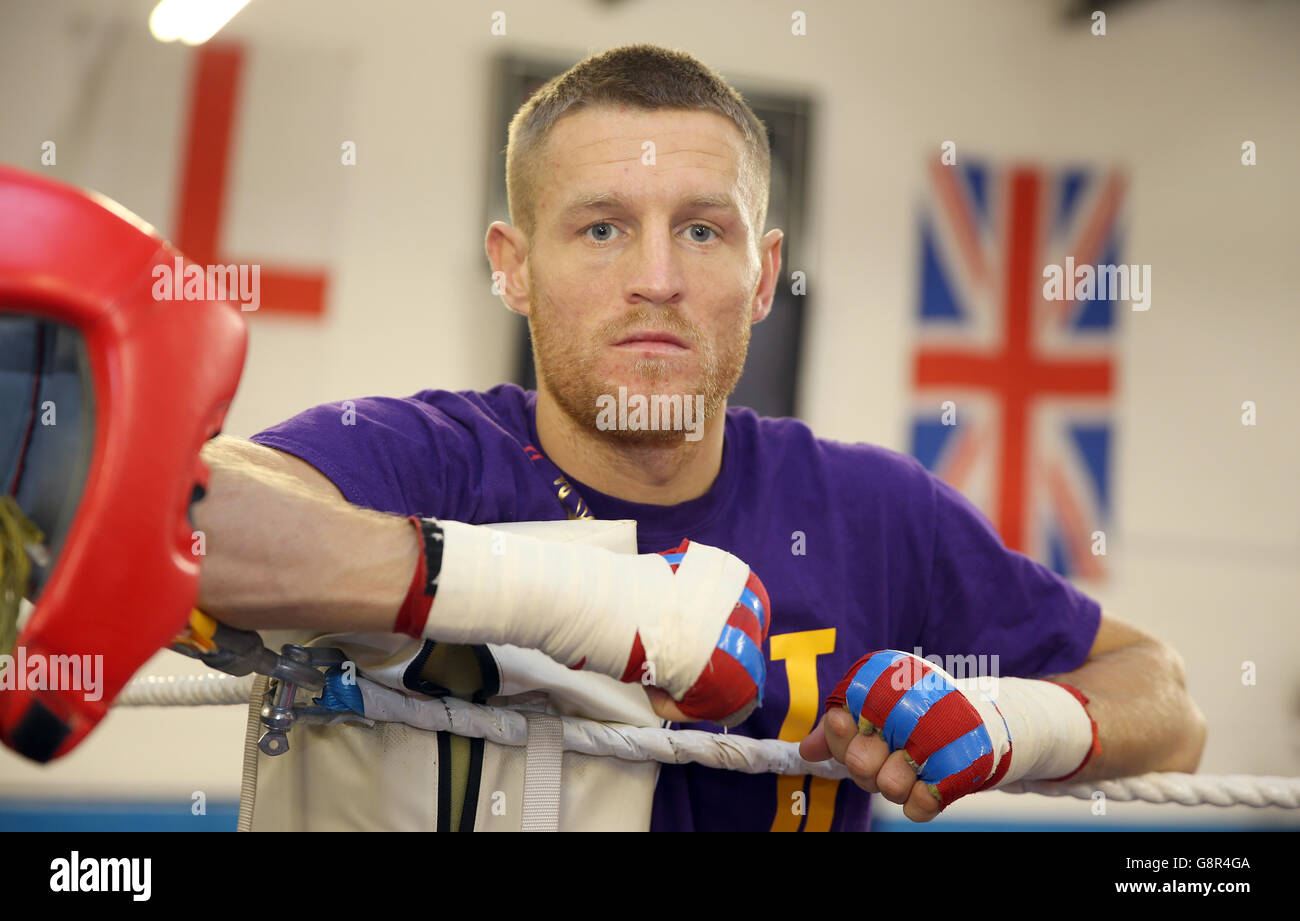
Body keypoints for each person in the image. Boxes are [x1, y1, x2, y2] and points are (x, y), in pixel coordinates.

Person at [194, 44, 1206, 831]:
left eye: (700, 230)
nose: (657, 280)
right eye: (600, 228)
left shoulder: (871, 512)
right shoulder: (427, 458)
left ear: (762, 277)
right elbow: (187, 513)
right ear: (512, 266)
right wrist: (594, 600)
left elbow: (1166, 705)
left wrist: (1015, 724)